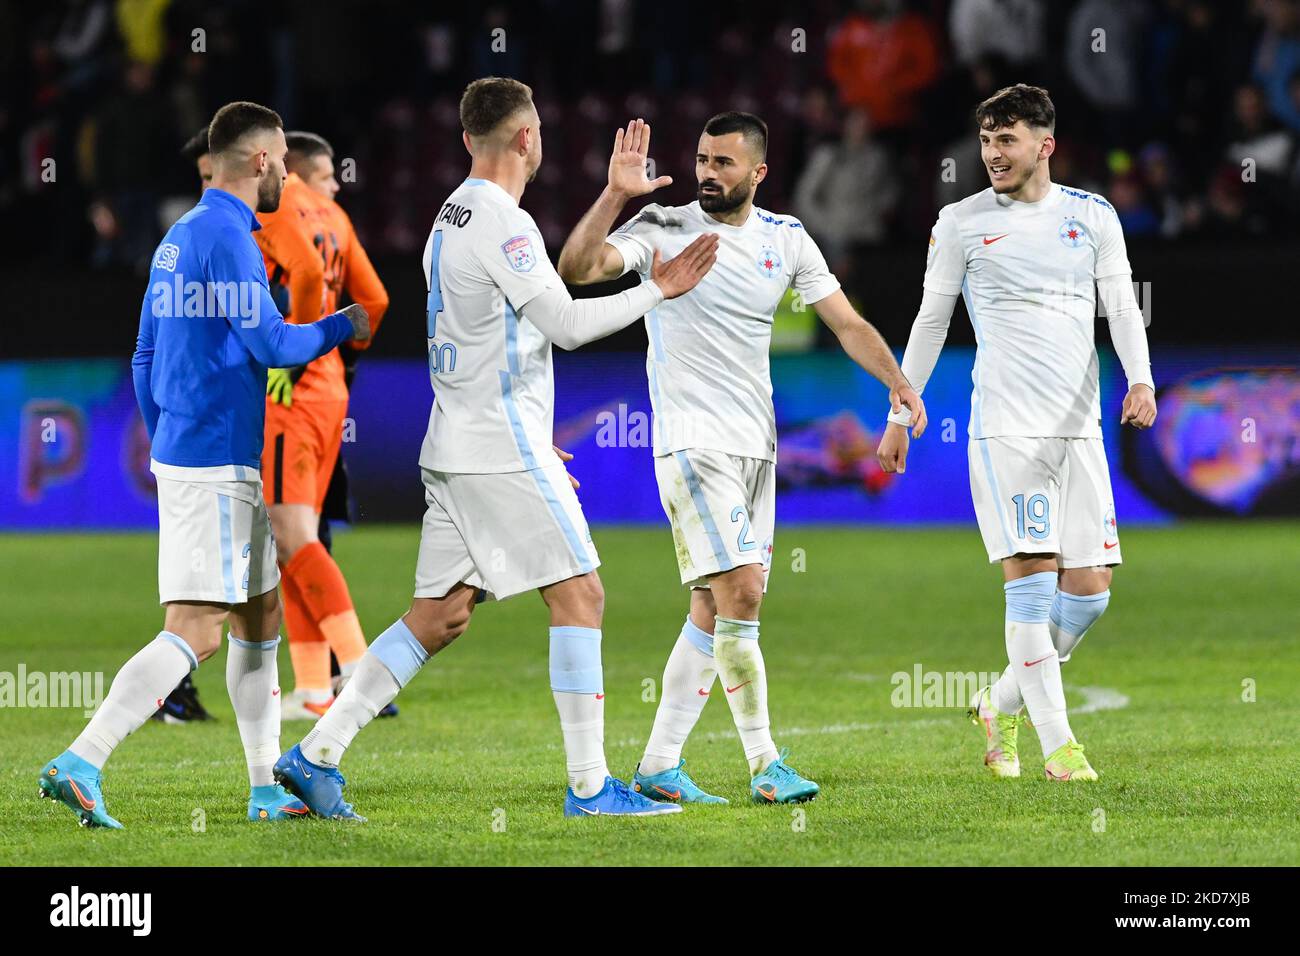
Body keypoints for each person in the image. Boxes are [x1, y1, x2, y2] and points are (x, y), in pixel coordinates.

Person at [273, 77, 717, 820]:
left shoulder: (450, 215)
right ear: (525, 139)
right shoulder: (503, 224)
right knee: (580, 594)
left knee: (438, 615)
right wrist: (657, 291)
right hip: (495, 447)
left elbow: (492, 341)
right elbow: (567, 325)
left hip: (459, 440)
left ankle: (315, 755)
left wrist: (532, 432)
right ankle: (589, 788)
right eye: (538, 128)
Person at [557, 112, 924, 804]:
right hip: (693, 443)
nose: (707, 173)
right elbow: (576, 270)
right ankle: (765, 764)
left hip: (757, 448)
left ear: (758, 172)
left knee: (712, 606)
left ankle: (660, 766)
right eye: (701, 159)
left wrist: (897, 382)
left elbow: (844, 321)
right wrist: (614, 196)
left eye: (723, 163)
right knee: (743, 593)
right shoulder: (664, 226)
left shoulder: (786, 239)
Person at [38, 101, 371, 828]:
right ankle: (82, 759)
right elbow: (274, 347)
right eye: (282, 159)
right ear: (257, 162)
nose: (287, 171)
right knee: (196, 630)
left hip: (205, 452)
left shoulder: (177, 238)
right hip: (216, 459)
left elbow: (143, 354)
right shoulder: (228, 239)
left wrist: (165, 439)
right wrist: (343, 324)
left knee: (259, 619)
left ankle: (261, 790)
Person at [874, 84, 1157, 782]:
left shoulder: (1093, 216)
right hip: (1007, 429)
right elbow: (931, 322)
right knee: (1031, 586)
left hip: (1079, 428)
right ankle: (1061, 748)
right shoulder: (961, 223)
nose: (993, 153)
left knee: (1088, 592)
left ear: (1045, 145)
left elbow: (1120, 304)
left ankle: (998, 702)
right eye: (987, 140)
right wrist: (898, 411)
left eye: (1007, 139)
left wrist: (1141, 379)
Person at [253, 131, 390, 721]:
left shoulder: (279, 200)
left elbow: (305, 271)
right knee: (292, 537)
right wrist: (340, 355)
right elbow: (375, 301)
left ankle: (362, 672)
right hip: (329, 384)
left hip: (292, 385)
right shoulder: (333, 213)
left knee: (292, 534)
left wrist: (295, 352)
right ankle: (314, 692)